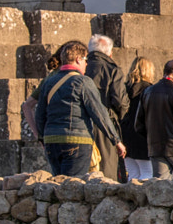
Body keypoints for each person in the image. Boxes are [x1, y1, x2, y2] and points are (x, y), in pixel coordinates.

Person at [34, 41, 120, 177]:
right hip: (77, 140)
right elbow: (99, 113)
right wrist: (116, 140)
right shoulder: (83, 82)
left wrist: (42, 138)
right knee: (73, 186)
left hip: (52, 140)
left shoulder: (49, 82)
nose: (87, 64)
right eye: (86, 60)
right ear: (78, 59)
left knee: (59, 183)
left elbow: (39, 115)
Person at [85, 35, 130, 179]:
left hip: (82, 122)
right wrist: (122, 118)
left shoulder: (82, 67)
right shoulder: (111, 69)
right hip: (106, 123)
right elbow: (120, 101)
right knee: (106, 170)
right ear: (109, 53)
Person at [120, 56, 157, 181]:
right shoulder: (150, 90)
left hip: (125, 137)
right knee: (148, 172)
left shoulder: (123, 89)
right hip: (143, 139)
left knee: (132, 174)